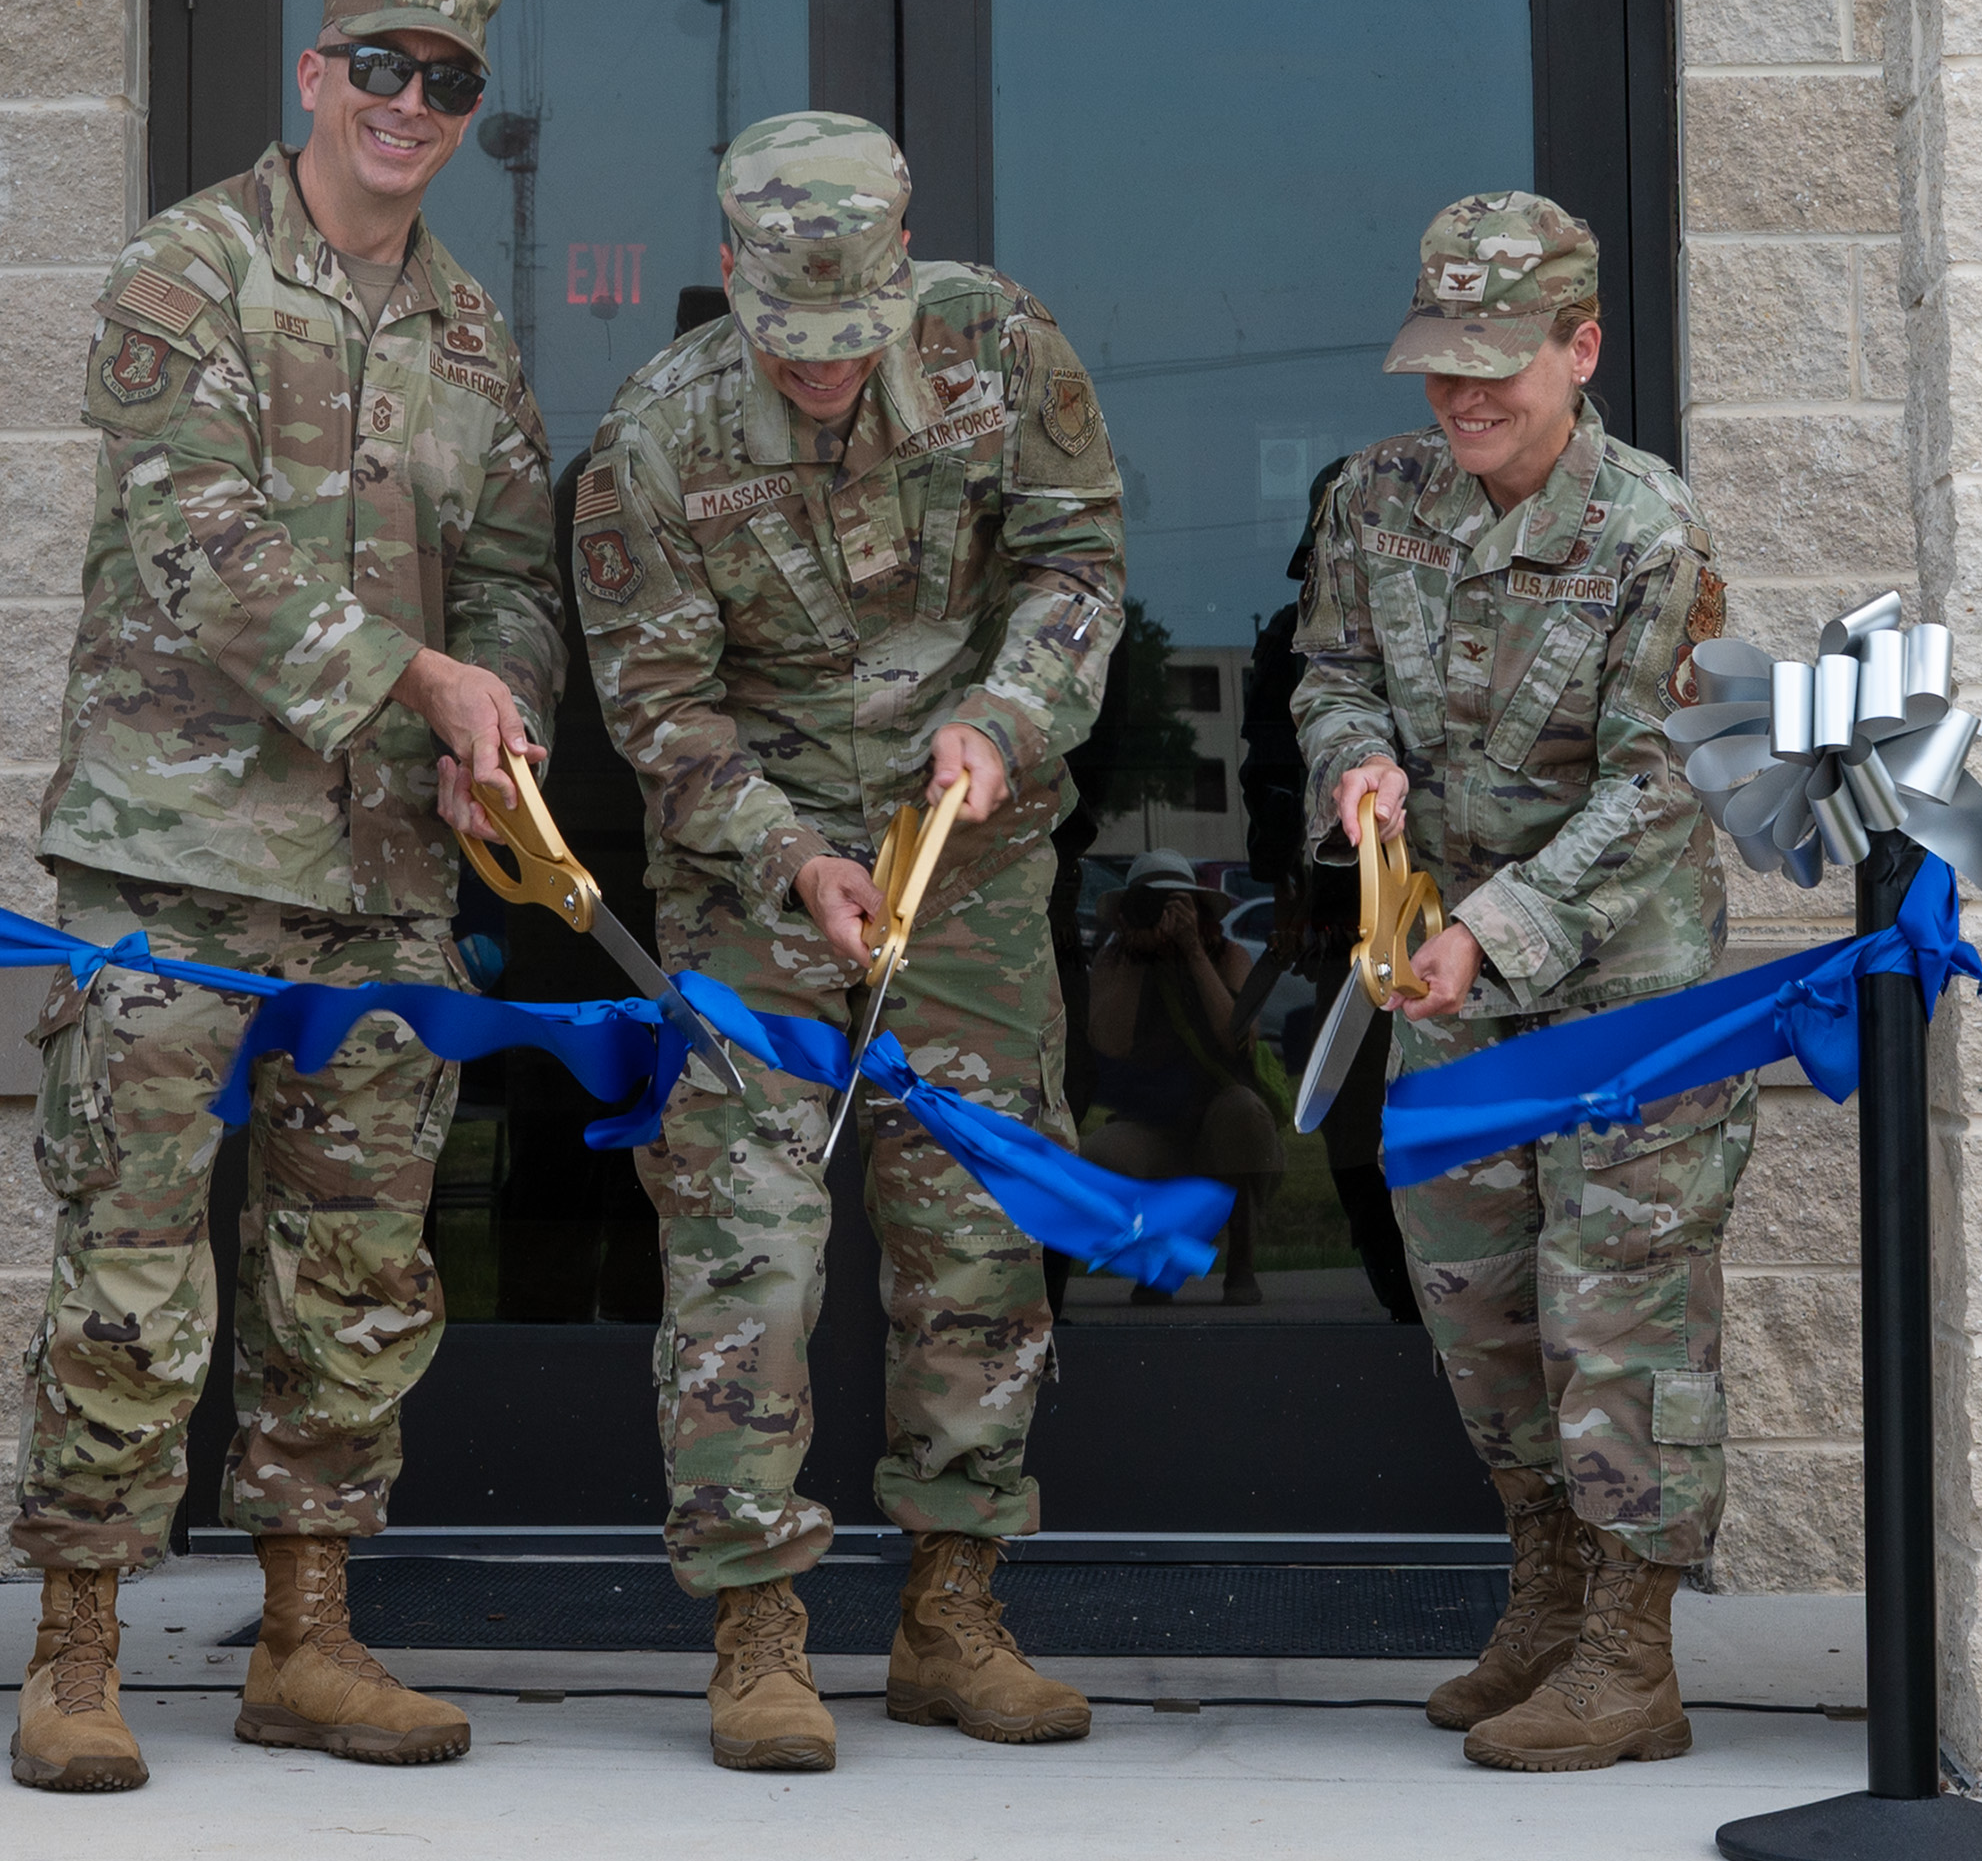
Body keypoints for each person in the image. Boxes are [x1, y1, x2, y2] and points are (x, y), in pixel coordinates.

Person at [8, 0, 566, 1792]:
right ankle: (76, 1643)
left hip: (392, 870)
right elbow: (199, 547)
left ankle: (306, 1636)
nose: (412, 108)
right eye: (382, 72)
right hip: (176, 850)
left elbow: (510, 582)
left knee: (357, 1265)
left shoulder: (477, 334)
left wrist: (510, 747)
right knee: (133, 1249)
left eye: (449, 88)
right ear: (317, 73)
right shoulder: (187, 274)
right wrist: (422, 680)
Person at [574, 111, 1124, 1773]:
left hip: (974, 869)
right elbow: (658, 709)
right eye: (790, 351)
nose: (824, 377)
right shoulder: (652, 443)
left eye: (851, 348)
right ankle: (757, 1630)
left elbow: (1076, 560)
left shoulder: (1004, 349)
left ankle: (953, 1614)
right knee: (751, 1250)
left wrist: (1012, 715)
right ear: (733, 274)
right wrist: (796, 855)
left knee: (977, 1238)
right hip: (758, 889)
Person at [1289, 191, 1747, 1774]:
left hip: (1619, 991)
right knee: (1480, 1306)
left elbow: (1656, 783)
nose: (1466, 398)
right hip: (1445, 982)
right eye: (1441, 366)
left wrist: (1493, 923)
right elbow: (1331, 670)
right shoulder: (1374, 498)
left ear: (1583, 346)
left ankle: (1633, 1649)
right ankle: (1544, 1599)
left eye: (1500, 365)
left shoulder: (1650, 531)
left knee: (1616, 1315)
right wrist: (1355, 773)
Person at [1236, 462, 1419, 1326]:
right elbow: (1268, 779)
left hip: (1459, 903)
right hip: (1343, 908)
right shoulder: (1290, 642)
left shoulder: (1439, 611)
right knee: (1352, 1107)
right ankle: (1392, 1290)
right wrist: (1291, 890)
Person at [1080, 850, 1275, 1305]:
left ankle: (1241, 1262)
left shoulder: (1227, 955)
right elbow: (1110, 1042)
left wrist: (1192, 953)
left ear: (1196, 907)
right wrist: (1133, 955)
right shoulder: (1114, 962)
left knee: (1243, 1112)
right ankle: (1154, 1262)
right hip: (1153, 1128)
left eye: (1175, 904)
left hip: (1221, 1126)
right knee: (1100, 1154)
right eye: (1150, 903)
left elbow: (1237, 1038)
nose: (1162, 914)